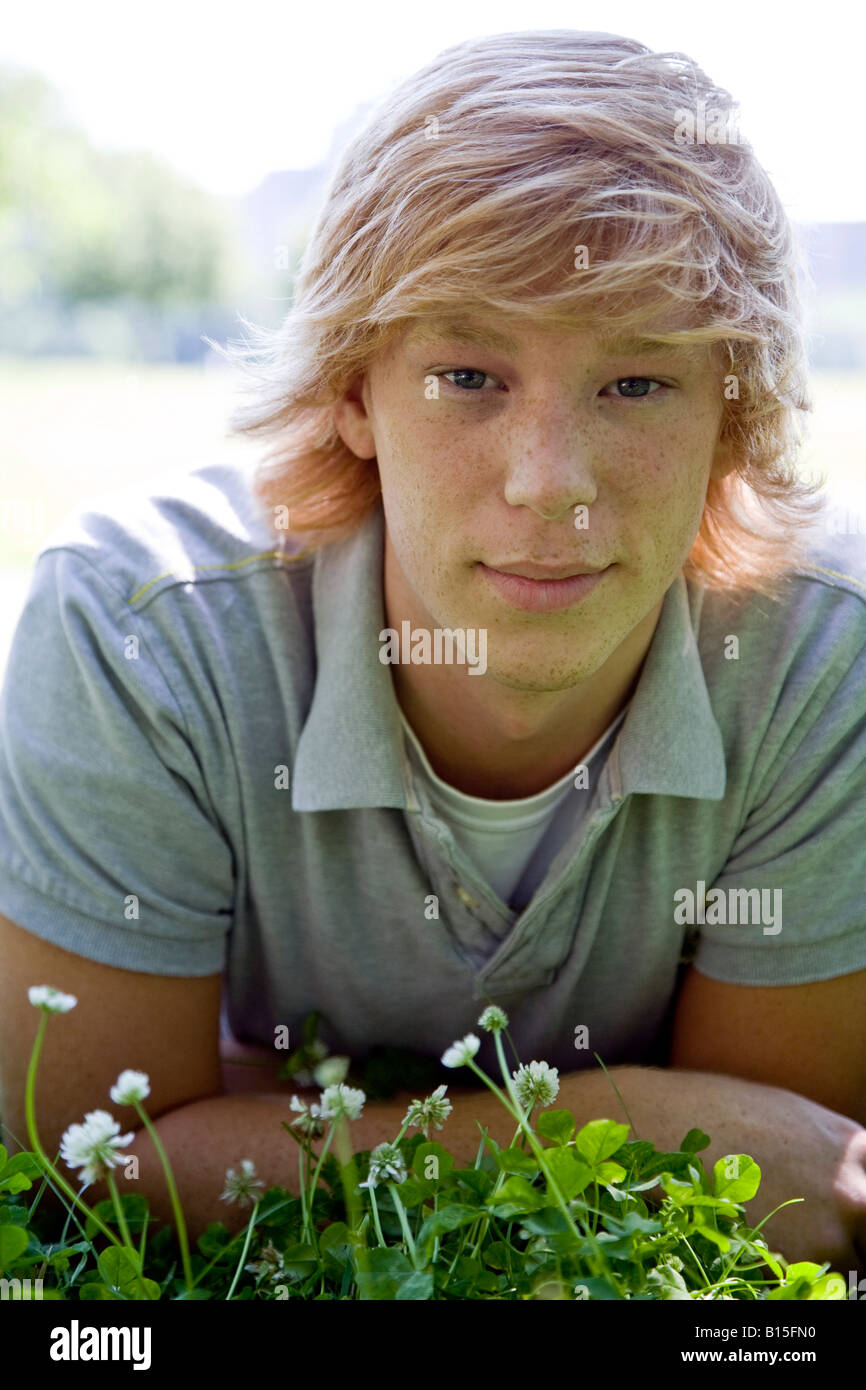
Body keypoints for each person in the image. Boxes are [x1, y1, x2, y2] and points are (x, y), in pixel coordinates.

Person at [1, 30, 865, 1276]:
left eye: (635, 384)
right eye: (467, 374)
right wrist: (615, 1117)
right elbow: (91, 1165)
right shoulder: (139, 630)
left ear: (733, 413)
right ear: (353, 391)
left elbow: (773, 1176)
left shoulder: (819, 654)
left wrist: (251, 1114)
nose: (548, 484)